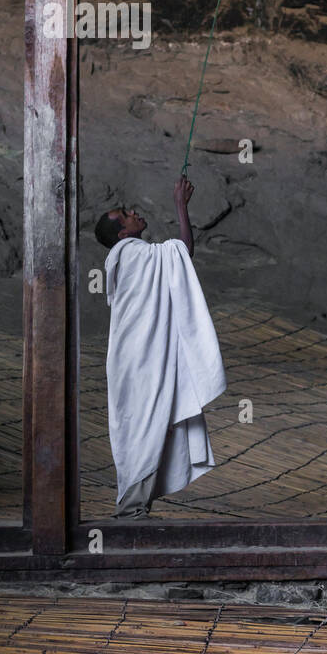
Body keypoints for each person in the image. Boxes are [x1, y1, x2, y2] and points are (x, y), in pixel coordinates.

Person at [94, 176, 226, 519]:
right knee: (144, 428)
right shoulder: (130, 254)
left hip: (140, 361)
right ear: (123, 234)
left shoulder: (131, 256)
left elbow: (175, 258)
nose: (134, 212)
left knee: (148, 427)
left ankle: (135, 507)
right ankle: (130, 510)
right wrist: (180, 205)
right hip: (139, 363)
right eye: (127, 214)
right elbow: (184, 250)